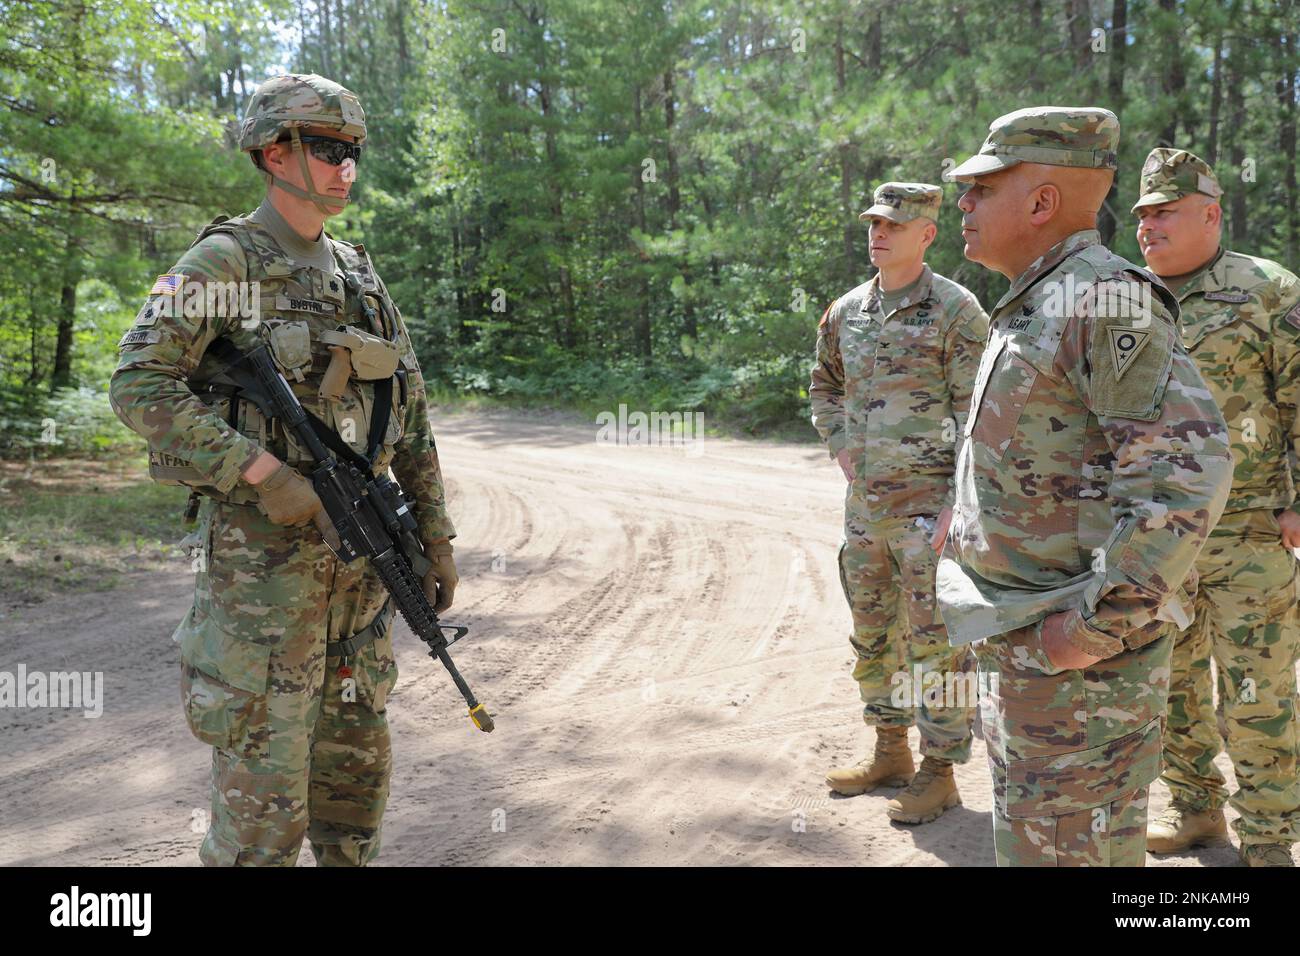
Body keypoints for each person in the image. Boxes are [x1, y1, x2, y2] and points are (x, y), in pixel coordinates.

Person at [108, 73, 458, 866]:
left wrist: (436, 538)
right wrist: (262, 471)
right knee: (262, 835)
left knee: (354, 808)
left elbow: (412, 414)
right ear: (275, 153)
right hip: (263, 602)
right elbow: (137, 383)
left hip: (360, 593)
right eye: (329, 149)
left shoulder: (361, 277)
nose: (348, 167)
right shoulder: (221, 262)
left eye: (354, 151)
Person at [938, 107, 1233, 865]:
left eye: (980, 188)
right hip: (1030, 648)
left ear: (1041, 203)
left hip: (1080, 672)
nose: (962, 202)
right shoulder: (1037, 299)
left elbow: (1186, 477)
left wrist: (1091, 632)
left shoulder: (1104, 300)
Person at [1133, 147, 1300, 867]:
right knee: (1169, 688)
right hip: (1158, 540)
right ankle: (1197, 812)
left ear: (1211, 212)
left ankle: (1269, 845)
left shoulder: (1268, 289)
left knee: (1258, 697)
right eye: (1142, 215)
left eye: (1165, 212)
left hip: (1249, 531)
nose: (1148, 227)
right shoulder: (1126, 297)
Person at [811, 182, 987, 824]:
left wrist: (955, 510)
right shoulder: (847, 310)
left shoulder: (956, 311)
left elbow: (982, 417)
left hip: (930, 515)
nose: (878, 233)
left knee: (935, 645)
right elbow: (824, 385)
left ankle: (940, 774)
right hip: (866, 515)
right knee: (873, 635)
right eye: (874, 223)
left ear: (927, 234)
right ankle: (890, 751)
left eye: (894, 224)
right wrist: (840, 447)